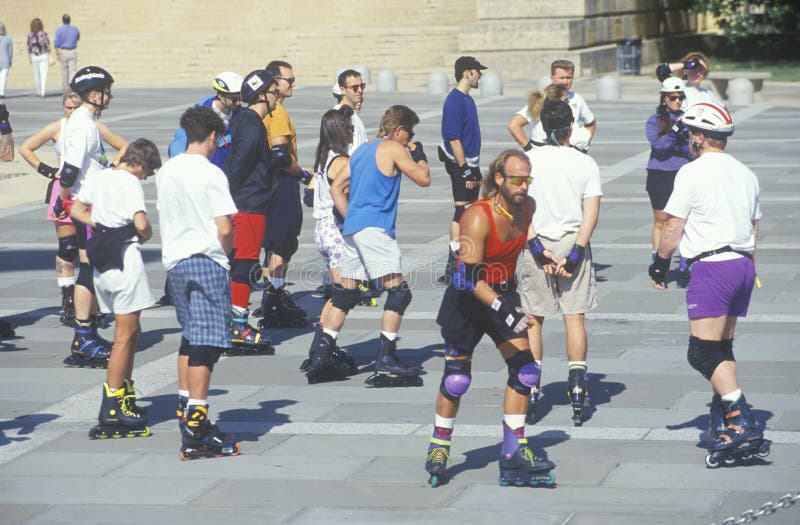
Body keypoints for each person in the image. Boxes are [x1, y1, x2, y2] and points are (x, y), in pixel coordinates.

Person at [648, 102, 770, 468]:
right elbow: (754, 225)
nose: (688, 140)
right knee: (721, 347)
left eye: (690, 134)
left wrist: (659, 263)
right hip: (742, 264)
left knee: (701, 352)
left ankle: (741, 418)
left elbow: (672, 226)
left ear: (700, 137)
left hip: (712, 266)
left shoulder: (692, 172)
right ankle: (726, 422)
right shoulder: (746, 173)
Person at [425, 150, 556, 488]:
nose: (524, 186)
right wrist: (506, 309)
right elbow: (466, 279)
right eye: (517, 179)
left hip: (501, 291)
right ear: (499, 178)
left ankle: (513, 450)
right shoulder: (477, 216)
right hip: (468, 300)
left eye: (528, 179)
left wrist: (544, 256)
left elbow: (524, 235)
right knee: (457, 379)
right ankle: (439, 445)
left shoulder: (528, 206)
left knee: (527, 371)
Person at [305, 105, 430, 385]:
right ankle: (386, 360)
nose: (410, 137)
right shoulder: (393, 147)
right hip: (374, 228)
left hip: (352, 230)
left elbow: (337, 187)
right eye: (409, 131)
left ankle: (322, 356)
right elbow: (424, 179)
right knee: (399, 293)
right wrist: (418, 154)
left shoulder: (361, 149)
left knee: (344, 295)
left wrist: (352, 217)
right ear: (399, 130)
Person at [157, 105, 240, 460]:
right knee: (207, 346)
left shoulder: (167, 171)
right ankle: (196, 426)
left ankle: (185, 407)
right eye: (218, 139)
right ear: (211, 137)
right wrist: (228, 254)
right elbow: (224, 226)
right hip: (206, 259)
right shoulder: (211, 173)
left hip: (175, 262)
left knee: (190, 338)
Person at [517, 99, 603, 426]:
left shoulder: (526, 160)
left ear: (541, 125)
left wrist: (537, 247)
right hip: (571, 239)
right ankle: (578, 385)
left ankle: (532, 386)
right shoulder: (585, 163)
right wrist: (578, 250)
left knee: (533, 318)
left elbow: (518, 206)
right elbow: (591, 211)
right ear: (570, 127)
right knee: (574, 317)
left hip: (536, 239)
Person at [69, 139, 161, 439]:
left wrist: (99, 222)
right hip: (125, 260)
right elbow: (141, 222)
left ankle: (124, 395)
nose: (146, 177)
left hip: (103, 262)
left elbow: (76, 207)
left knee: (131, 333)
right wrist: (144, 235)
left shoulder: (101, 176)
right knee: (124, 336)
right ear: (139, 163)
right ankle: (111, 406)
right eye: (147, 171)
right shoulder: (129, 181)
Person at [20, 91, 127, 326]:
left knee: (89, 252)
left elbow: (124, 146)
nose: (71, 111)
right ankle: (68, 298)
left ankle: (92, 304)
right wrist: (49, 172)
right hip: (63, 189)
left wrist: (110, 169)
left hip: (86, 193)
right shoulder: (57, 127)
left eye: (74, 107)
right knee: (67, 248)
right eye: (67, 107)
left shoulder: (93, 126)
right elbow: (25, 148)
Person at [158, 71, 243, 307]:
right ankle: (173, 286)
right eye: (233, 98)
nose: (237, 103)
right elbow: (177, 149)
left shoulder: (237, 116)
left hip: (221, 182)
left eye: (239, 98)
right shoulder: (201, 115)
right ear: (221, 95)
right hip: (198, 182)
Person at [57, 66, 118, 368]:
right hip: (88, 205)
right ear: (94, 94)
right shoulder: (83, 124)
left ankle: (88, 332)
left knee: (90, 266)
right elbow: (70, 169)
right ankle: (83, 336)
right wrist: (63, 199)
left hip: (90, 202)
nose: (109, 96)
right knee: (88, 269)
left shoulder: (84, 121)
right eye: (106, 90)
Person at [223, 69, 278, 353]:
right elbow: (239, 166)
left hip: (245, 202)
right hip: (249, 203)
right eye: (274, 92)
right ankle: (238, 325)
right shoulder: (254, 126)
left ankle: (232, 321)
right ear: (261, 95)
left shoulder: (244, 119)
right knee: (244, 265)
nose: (277, 96)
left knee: (238, 264)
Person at [301, 105, 359, 377]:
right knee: (346, 294)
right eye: (348, 127)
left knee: (337, 293)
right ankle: (323, 355)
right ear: (340, 130)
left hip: (321, 230)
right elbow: (344, 194)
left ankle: (318, 348)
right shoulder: (341, 161)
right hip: (336, 230)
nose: (352, 130)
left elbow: (311, 194)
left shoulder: (324, 157)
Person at [255, 60, 310, 328]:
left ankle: (272, 294)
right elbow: (280, 153)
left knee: (274, 242)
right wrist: (301, 174)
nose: (293, 84)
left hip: (267, 183)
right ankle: (273, 298)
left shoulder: (266, 111)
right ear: (275, 82)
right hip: (282, 182)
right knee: (283, 242)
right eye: (289, 80)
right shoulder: (277, 115)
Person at [437, 56, 488, 284]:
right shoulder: (455, 100)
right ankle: (454, 264)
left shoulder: (467, 99)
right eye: (478, 71)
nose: (481, 75)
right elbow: (454, 138)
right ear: (467, 72)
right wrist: (465, 170)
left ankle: (463, 260)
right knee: (461, 211)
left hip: (470, 163)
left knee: (468, 210)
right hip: (461, 163)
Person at [645, 77, 693, 287]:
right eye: (672, 97)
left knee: (686, 221)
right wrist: (675, 130)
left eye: (680, 97)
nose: (677, 101)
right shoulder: (654, 120)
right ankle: (658, 264)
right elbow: (659, 146)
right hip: (660, 174)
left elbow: (693, 149)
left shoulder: (690, 118)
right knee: (661, 220)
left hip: (684, 173)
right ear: (664, 98)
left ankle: (685, 264)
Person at [507, 84, 568, 151]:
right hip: (540, 151)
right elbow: (513, 125)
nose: (568, 102)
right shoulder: (538, 106)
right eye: (566, 100)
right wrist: (528, 148)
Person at [655, 51, 722, 109]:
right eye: (693, 70)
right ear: (685, 71)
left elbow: (723, 111)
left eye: (701, 70)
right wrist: (687, 65)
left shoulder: (708, 94)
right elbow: (661, 71)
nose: (698, 73)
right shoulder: (678, 88)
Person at [54, 14, 80, 94]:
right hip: (72, 50)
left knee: (64, 71)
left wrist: (57, 53)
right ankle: (72, 88)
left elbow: (56, 43)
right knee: (73, 71)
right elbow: (78, 38)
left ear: (63, 20)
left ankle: (66, 89)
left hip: (64, 51)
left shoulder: (59, 30)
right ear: (70, 20)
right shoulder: (75, 29)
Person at [27, 18, 51, 98]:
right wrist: (49, 53)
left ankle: (38, 90)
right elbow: (48, 45)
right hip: (43, 55)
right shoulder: (44, 34)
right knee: (43, 75)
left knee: (37, 74)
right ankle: (43, 92)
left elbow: (28, 47)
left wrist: (29, 57)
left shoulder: (30, 35)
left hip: (34, 56)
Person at [0, 23, 12, 99]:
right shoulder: (8, 38)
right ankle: (1, 92)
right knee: (3, 77)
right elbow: (10, 51)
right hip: (5, 60)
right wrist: (10, 60)